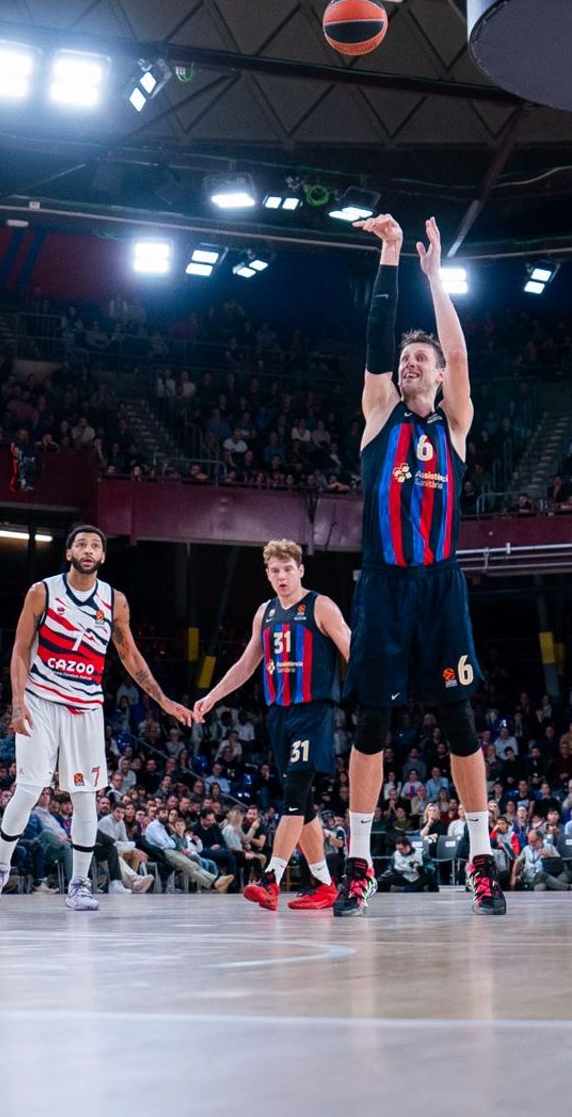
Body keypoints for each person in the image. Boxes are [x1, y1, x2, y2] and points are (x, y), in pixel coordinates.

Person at [331, 215, 505, 918]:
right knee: (371, 724)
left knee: (459, 720)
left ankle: (483, 859)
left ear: (437, 374)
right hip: (383, 585)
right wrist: (392, 256)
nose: (410, 364)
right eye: (406, 360)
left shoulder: (453, 424)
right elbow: (377, 342)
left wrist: (434, 280)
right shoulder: (380, 414)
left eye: (420, 359)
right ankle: (358, 863)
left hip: (440, 586)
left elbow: (458, 353)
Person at [0, 526, 191, 911]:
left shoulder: (115, 600)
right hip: (41, 700)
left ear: (103, 556)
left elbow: (130, 655)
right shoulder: (42, 591)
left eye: (95, 546)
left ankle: (79, 885)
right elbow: (20, 649)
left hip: (85, 706)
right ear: (69, 552)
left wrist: (162, 699)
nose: (88, 550)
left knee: (85, 797)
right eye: (81, 544)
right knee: (29, 789)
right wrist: (18, 701)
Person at [188, 537, 352, 910]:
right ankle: (326, 885)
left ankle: (270, 879)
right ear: (267, 573)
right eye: (275, 570)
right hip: (279, 714)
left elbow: (351, 649)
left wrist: (373, 694)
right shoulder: (265, 612)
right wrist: (213, 696)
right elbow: (247, 663)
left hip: (313, 711)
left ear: (301, 570)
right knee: (303, 803)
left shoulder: (320, 606)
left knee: (295, 792)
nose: (282, 576)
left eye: (288, 569)